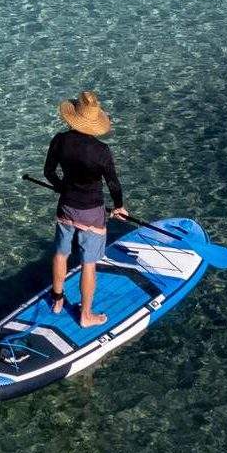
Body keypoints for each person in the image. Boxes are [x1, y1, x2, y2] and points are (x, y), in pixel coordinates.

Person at [43, 90, 132, 329]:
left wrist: (62, 187)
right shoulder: (101, 151)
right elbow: (113, 184)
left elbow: (49, 172)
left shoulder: (60, 140)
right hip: (92, 212)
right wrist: (119, 207)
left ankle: (58, 301)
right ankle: (85, 315)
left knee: (61, 253)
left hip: (66, 207)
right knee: (88, 263)